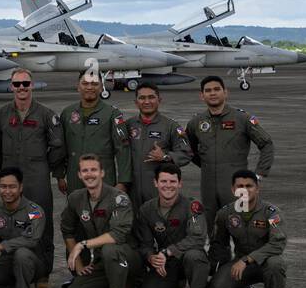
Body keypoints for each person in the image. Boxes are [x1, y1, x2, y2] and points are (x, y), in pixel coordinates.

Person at [0, 68, 64, 288]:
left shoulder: (45, 114)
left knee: (41, 222)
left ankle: (42, 275)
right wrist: (6, 169)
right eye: (17, 84)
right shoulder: (1, 114)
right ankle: (14, 270)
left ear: (32, 85)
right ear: (11, 86)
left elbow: (58, 146)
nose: (21, 88)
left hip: (37, 176)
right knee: (12, 221)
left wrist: (46, 166)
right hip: (11, 176)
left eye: (26, 83)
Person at [186, 76, 275, 222]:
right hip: (208, 186)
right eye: (208, 91)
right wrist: (206, 164)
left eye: (217, 89)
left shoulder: (242, 119)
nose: (213, 93)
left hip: (238, 185)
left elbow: (266, 143)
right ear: (202, 96)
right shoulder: (196, 122)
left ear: (225, 93)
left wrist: (259, 174)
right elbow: (188, 149)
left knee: (241, 228)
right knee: (213, 228)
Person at [60, 155, 138, 288]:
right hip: (101, 261)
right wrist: (79, 265)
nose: (89, 174)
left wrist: (82, 245)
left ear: (102, 173)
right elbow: (67, 229)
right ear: (79, 175)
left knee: (110, 249)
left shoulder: (118, 198)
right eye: (85, 171)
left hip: (127, 256)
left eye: (94, 170)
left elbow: (118, 235)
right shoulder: (76, 198)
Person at [207, 170, 286, 288]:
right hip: (240, 264)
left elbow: (278, 243)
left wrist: (247, 260)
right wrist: (212, 269)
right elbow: (218, 244)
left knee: (276, 264)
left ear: (257, 188)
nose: (244, 189)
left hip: (266, 262)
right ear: (233, 189)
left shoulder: (271, 213)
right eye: (240, 186)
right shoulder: (225, 213)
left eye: (249, 186)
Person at [132, 163, 209, 288]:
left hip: (186, 257)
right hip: (165, 263)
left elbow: (197, 238)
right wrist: (151, 257)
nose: (168, 186)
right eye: (164, 181)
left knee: (195, 256)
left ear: (180, 183)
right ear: (156, 183)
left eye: (173, 182)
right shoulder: (147, 209)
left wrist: (168, 252)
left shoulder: (192, 206)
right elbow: (145, 244)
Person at [56, 71, 131, 195]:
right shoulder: (67, 113)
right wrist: (59, 176)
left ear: (101, 87)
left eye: (94, 84)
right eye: (85, 83)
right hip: (75, 178)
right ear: (78, 87)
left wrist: (123, 181)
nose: (90, 87)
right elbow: (61, 147)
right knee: (76, 211)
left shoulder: (112, 114)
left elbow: (123, 149)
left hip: (104, 179)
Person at [127, 82, 193, 210]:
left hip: (158, 191)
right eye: (142, 98)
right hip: (131, 190)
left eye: (151, 97)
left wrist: (165, 156)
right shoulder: (128, 125)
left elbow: (186, 153)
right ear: (136, 102)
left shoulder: (171, 127)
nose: (147, 101)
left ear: (159, 100)